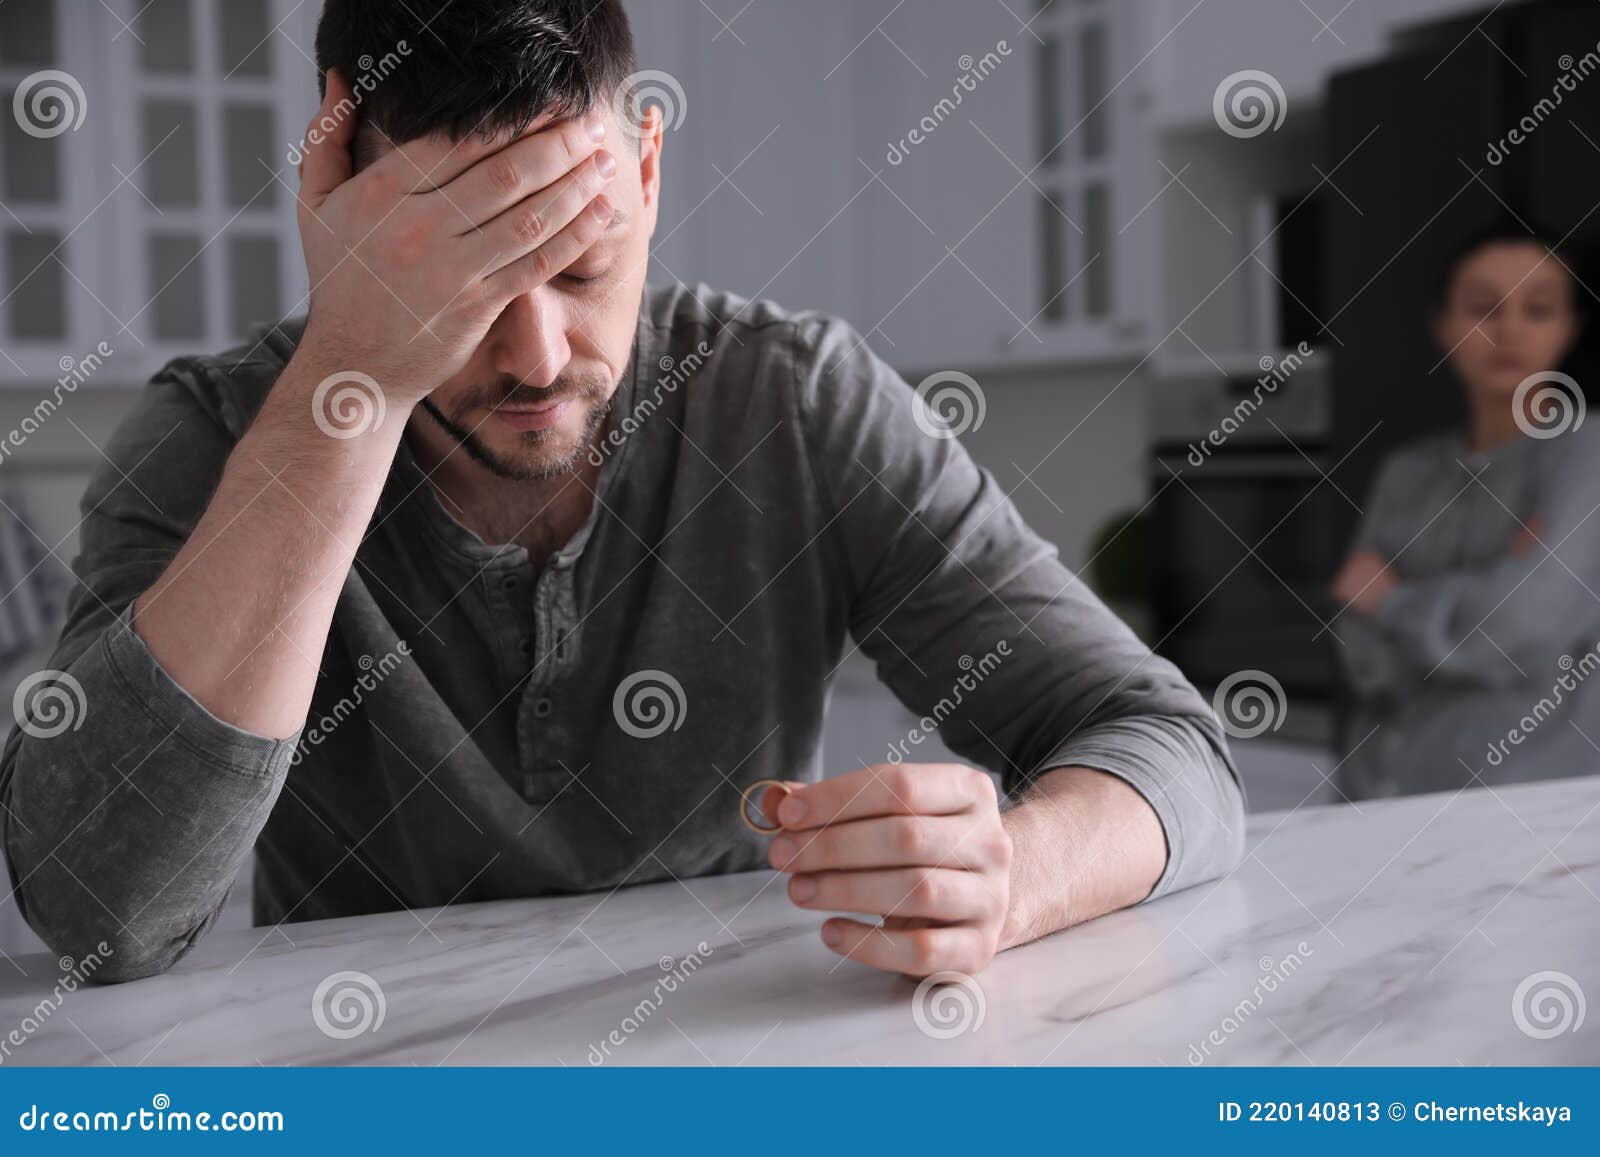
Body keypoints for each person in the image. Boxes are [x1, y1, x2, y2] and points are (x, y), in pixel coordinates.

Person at [0, 0, 1243, 983]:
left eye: (581, 268)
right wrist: (353, 378)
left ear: (646, 168)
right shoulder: (216, 433)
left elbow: (1170, 745)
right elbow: (101, 916)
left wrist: (1009, 873)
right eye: (460, 286)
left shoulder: (791, 398)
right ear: (335, 210)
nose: (536, 357)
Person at [1331, 223, 1599, 798]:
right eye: (1483, 307)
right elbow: (1360, 653)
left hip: (1521, 806)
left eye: (1538, 309)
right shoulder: (1408, 470)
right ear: (1445, 325)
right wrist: (1487, 589)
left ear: (1570, 327)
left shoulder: (1587, 452)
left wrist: (1393, 601)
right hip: (1373, 790)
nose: (1508, 330)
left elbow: (1527, 624)